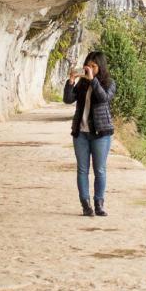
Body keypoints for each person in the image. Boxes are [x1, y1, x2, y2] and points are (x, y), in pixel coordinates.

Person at [63, 50, 115, 217]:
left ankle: (99, 204)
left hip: (101, 134)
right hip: (81, 133)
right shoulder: (82, 83)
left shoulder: (109, 83)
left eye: (94, 66)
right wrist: (71, 81)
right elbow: (68, 100)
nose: (90, 69)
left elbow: (103, 98)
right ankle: (86, 205)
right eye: (88, 66)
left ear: (101, 67)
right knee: (82, 170)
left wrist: (93, 80)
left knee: (99, 170)